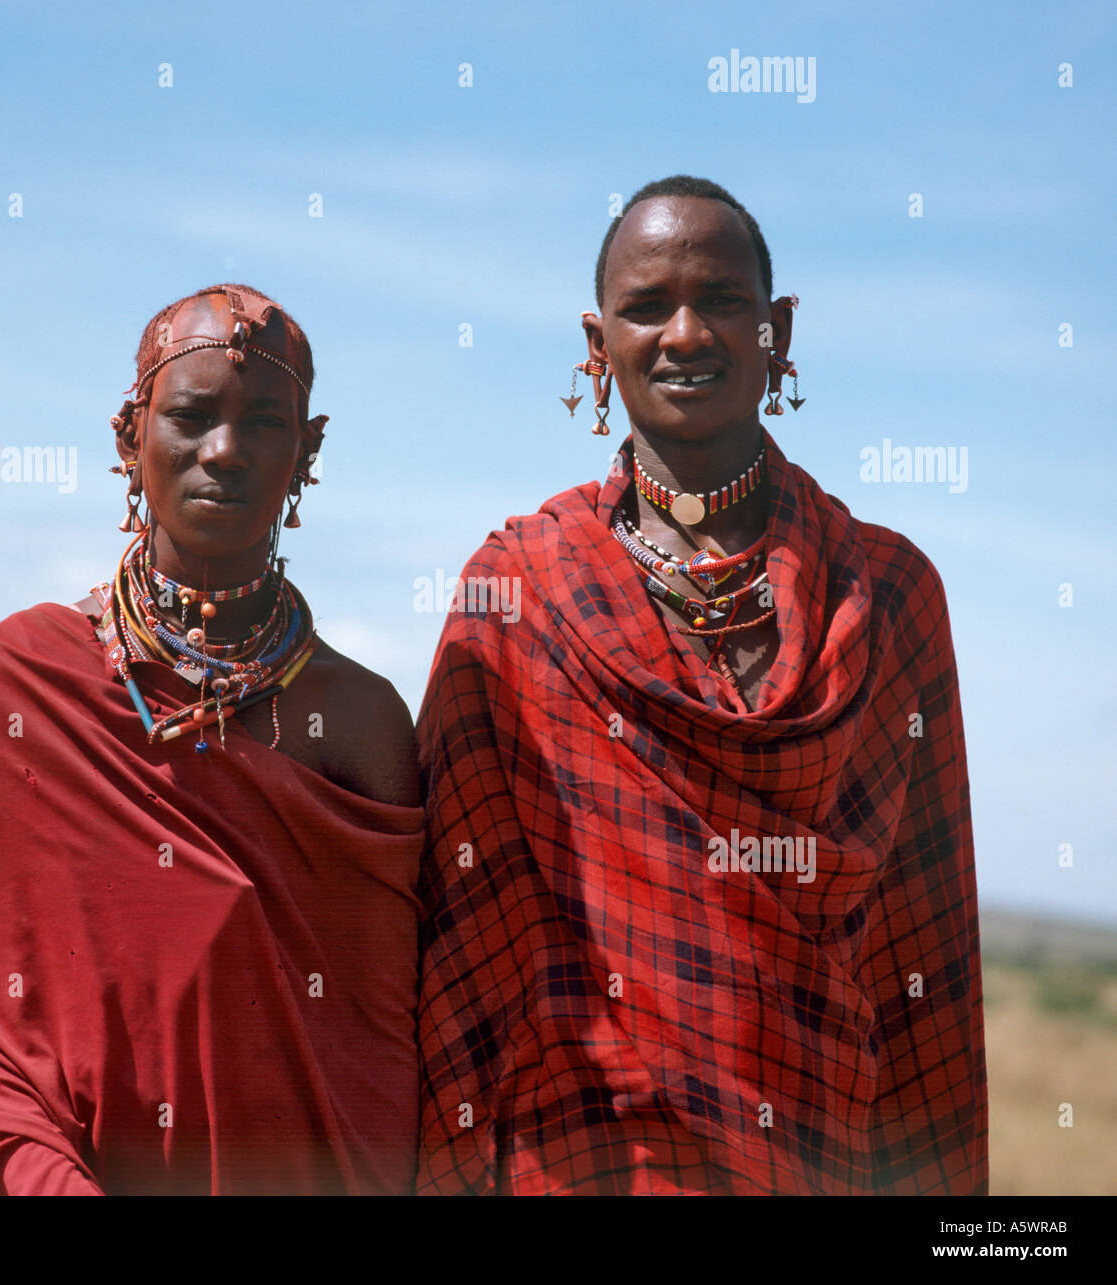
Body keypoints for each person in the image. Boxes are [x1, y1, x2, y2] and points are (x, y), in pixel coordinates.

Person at [415, 178, 988, 1195]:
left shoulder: (889, 593)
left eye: (721, 301)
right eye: (646, 306)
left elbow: (924, 948)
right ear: (598, 343)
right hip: (579, 1159)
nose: (684, 334)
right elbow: (456, 933)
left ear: (777, 329)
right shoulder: (514, 593)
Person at [0, 284, 423, 1195]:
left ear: (307, 454)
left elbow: (381, 1051)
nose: (224, 451)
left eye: (264, 422)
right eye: (190, 416)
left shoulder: (361, 722)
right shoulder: (19, 685)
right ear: (128, 438)